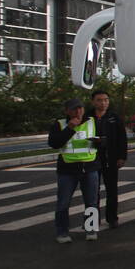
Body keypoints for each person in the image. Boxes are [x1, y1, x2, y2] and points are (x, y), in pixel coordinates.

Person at [48, 97, 101, 243]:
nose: (78, 111)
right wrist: (69, 128)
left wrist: (99, 141)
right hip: (67, 169)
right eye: (74, 109)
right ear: (67, 111)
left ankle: (91, 229)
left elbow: (104, 141)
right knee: (63, 203)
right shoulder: (60, 124)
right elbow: (54, 143)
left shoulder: (92, 121)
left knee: (92, 201)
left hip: (89, 167)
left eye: (80, 108)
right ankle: (62, 232)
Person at [89, 90, 128, 228]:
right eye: (99, 100)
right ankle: (92, 221)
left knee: (112, 190)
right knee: (92, 192)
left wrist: (122, 156)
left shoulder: (114, 117)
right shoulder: (87, 117)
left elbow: (122, 138)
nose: (103, 103)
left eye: (106, 100)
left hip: (110, 159)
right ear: (93, 102)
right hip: (91, 160)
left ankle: (112, 218)